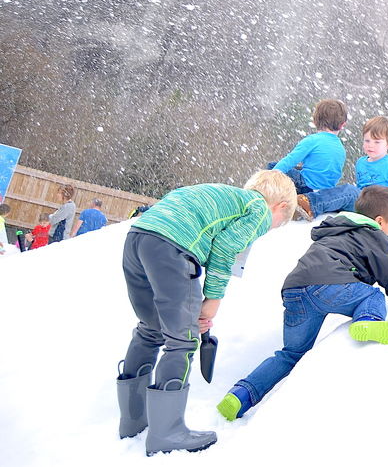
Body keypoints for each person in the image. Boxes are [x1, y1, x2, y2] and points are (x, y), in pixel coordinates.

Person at [217, 185, 388, 421]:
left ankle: (239, 396)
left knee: (290, 354)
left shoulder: (336, 231)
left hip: (295, 290)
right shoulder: (375, 237)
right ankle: (367, 322)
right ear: (380, 221)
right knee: (372, 296)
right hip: (330, 285)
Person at [115, 170, 297, 456]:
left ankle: (133, 421)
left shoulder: (224, 196)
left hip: (139, 238)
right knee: (183, 340)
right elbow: (225, 249)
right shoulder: (259, 208)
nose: (268, 228)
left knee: (151, 329)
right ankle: (167, 432)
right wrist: (212, 300)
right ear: (281, 207)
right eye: (277, 225)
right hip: (172, 246)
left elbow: (214, 241)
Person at [296, 116, 388, 219]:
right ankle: (301, 206)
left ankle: (310, 204)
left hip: (377, 209)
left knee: (349, 191)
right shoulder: (361, 162)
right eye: (367, 140)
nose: (370, 145)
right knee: (343, 193)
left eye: (377, 142)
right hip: (362, 204)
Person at [270, 98, 348, 215]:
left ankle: (277, 201)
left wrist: (273, 174)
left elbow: (291, 160)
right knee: (298, 170)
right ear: (342, 125)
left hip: (307, 186)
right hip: (325, 192)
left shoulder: (312, 140)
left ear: (315, 120)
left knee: (273, 166)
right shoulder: (340, 147)